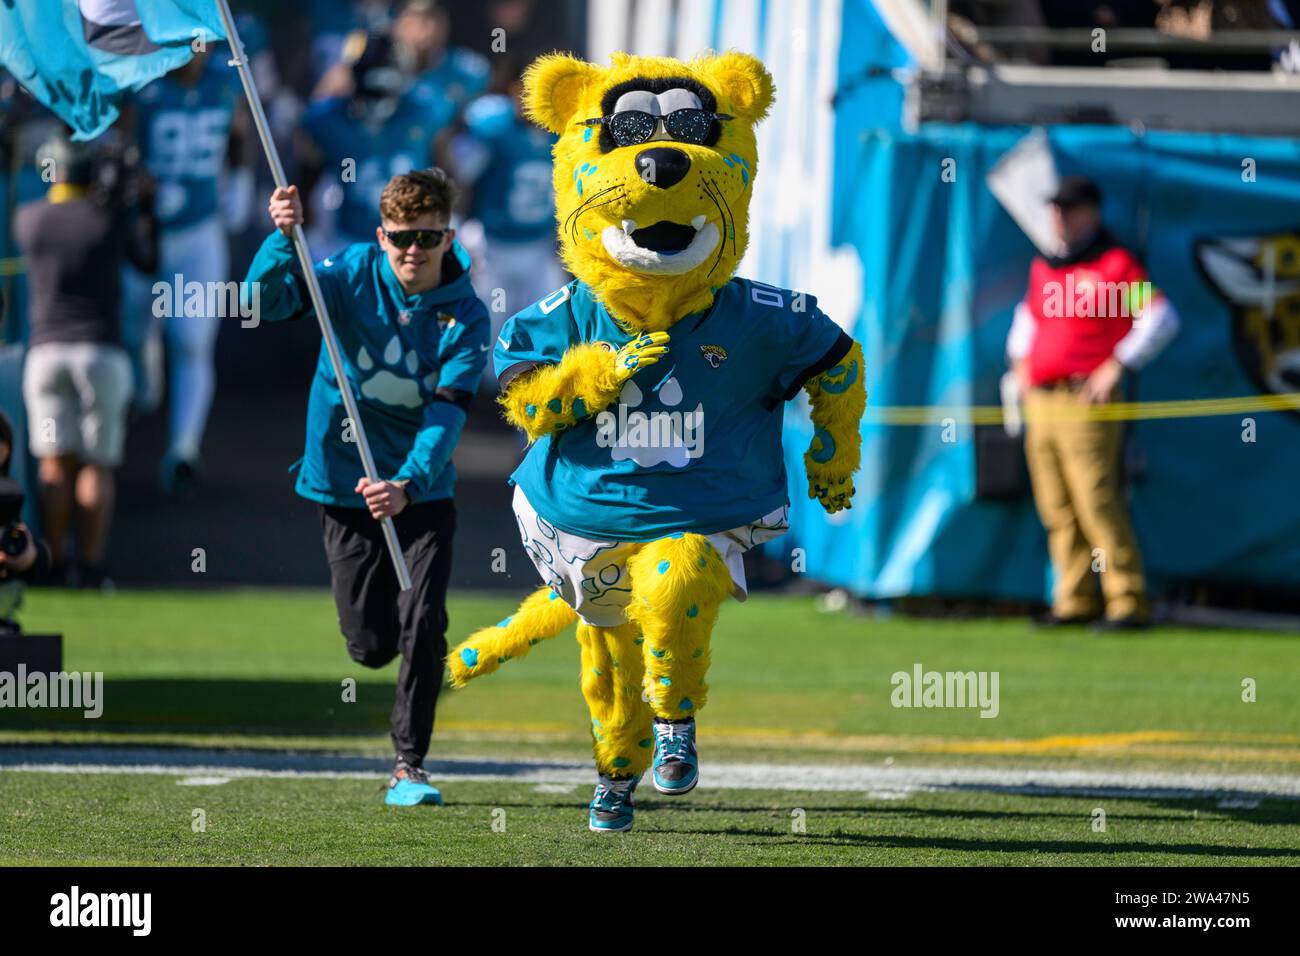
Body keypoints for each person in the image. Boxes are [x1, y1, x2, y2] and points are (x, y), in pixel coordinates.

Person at [245, 168, 489, 806]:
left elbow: (448, 412)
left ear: (449, 237)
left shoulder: (466, 314)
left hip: (422, 491)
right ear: (382, 236)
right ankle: (379, 651)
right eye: (402, 238)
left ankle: (410, 767)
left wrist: (408, 481)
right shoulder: (349, 273)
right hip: (343, 483)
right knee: (370, 645)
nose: (415, 251)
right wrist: (282, 238)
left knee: (424, 620)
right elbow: (264, 303)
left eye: (429, 238)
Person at [1005, 175, 1180, 630]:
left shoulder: (1116, 265)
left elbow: (1161, 316)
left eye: (1069, 208)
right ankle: (1074, 599)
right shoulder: (1047, 266)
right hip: (1041, 401)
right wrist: (1022, 365)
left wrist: (1116, 364)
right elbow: (1027, 321)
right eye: (1055, 208)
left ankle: (1126, 600)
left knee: (1097, 501)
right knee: (1056, 507)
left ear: (1091, 213)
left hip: (1084, 402)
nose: (1059, 217)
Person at [16, 131, 157, 588]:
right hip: (100, 354)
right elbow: (146, 257)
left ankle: (53, 562)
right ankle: (92, 567)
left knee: (54, 464)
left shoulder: (29, 219)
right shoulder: (108, 218)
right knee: (96, 464)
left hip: (46, 355)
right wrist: (136, 201)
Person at [128, 50, 256, 496]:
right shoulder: (141, 82)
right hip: (144, 233)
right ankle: (146, 375)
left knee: (192, 341)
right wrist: (141, 192)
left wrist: (240, 177)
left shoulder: (225, 80)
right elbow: (120, 147)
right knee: (133, 336)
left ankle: (183, 448)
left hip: (199, 233)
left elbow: (241, 130)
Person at [447, 57, 563, 371]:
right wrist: (459, 225)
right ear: (512, 89)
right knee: (489, 321)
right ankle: (485, 395)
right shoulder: (491, 127)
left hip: (539, 247)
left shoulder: (561, 130)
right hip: (493, 244)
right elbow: (460, 178)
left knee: (543, 325)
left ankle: (528, 392)